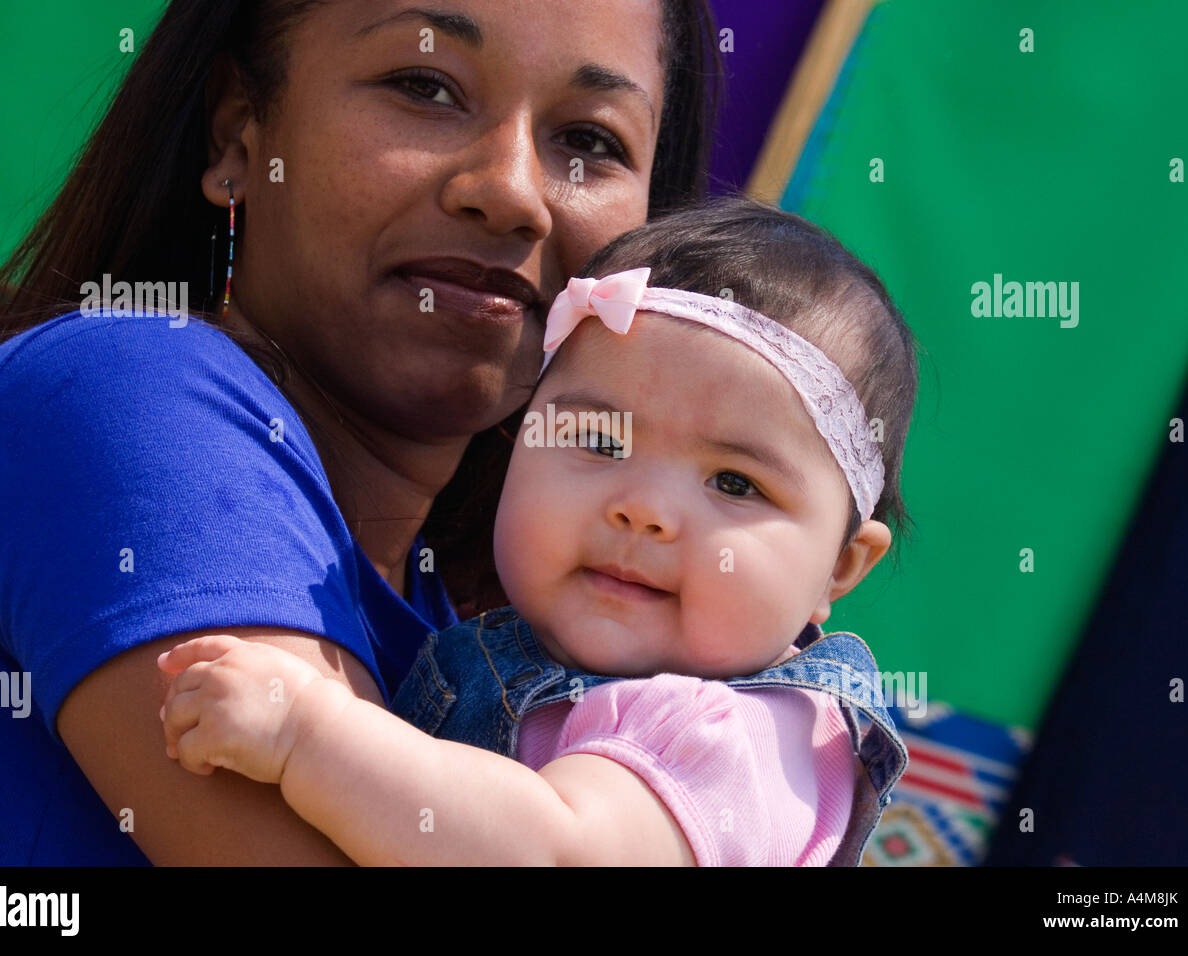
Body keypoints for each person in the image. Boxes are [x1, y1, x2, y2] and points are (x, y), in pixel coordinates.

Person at [0, 0, 722, 865]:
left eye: (592, 140)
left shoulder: (470, 653)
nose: (511, 193)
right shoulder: (124, 391)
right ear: (239, 133)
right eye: (425, 86)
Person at [156, 194, 920, 865]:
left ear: (840, 568)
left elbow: (556, 851)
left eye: (734, 483)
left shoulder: (752, 741)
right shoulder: (485, 648)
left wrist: (308, 735)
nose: (642, 508)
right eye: (598, 440)